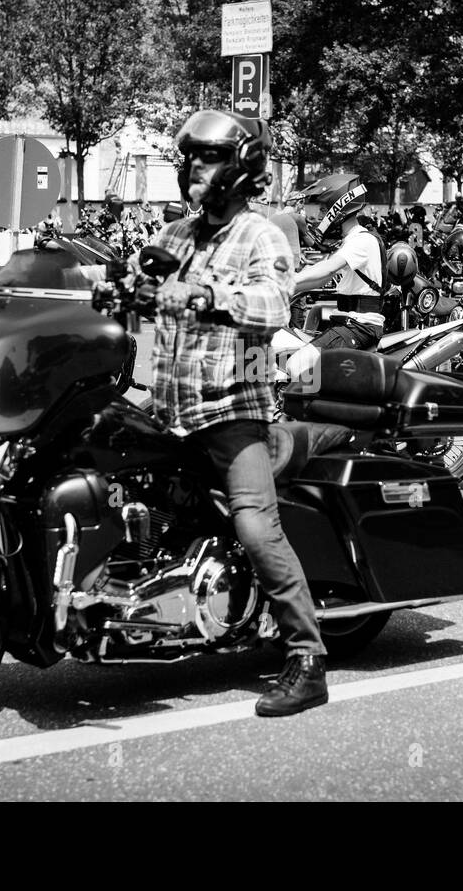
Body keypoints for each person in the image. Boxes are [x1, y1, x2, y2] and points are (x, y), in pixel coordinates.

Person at [116, 109, 329, 716]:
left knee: (256, 527)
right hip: (166, 407)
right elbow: (141, 278)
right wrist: (117, 283)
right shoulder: (178, 234)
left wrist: (210, 295)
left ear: (238, 168)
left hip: (232, 413)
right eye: (189, 158)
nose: (191, 169)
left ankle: (307, 658)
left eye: (204, 159)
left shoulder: (261, 235)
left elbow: (272, 304)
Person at [287, 173, 386, 375]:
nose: (321, 216)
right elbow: (322, 278)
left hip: (359, 326)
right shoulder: (350, 240)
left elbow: (327, 268)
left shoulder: (361, 240)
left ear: (338, 208)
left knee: (297, 365)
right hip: (349, 323)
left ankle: (308, 406)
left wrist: (286, 281)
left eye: (324, 209)